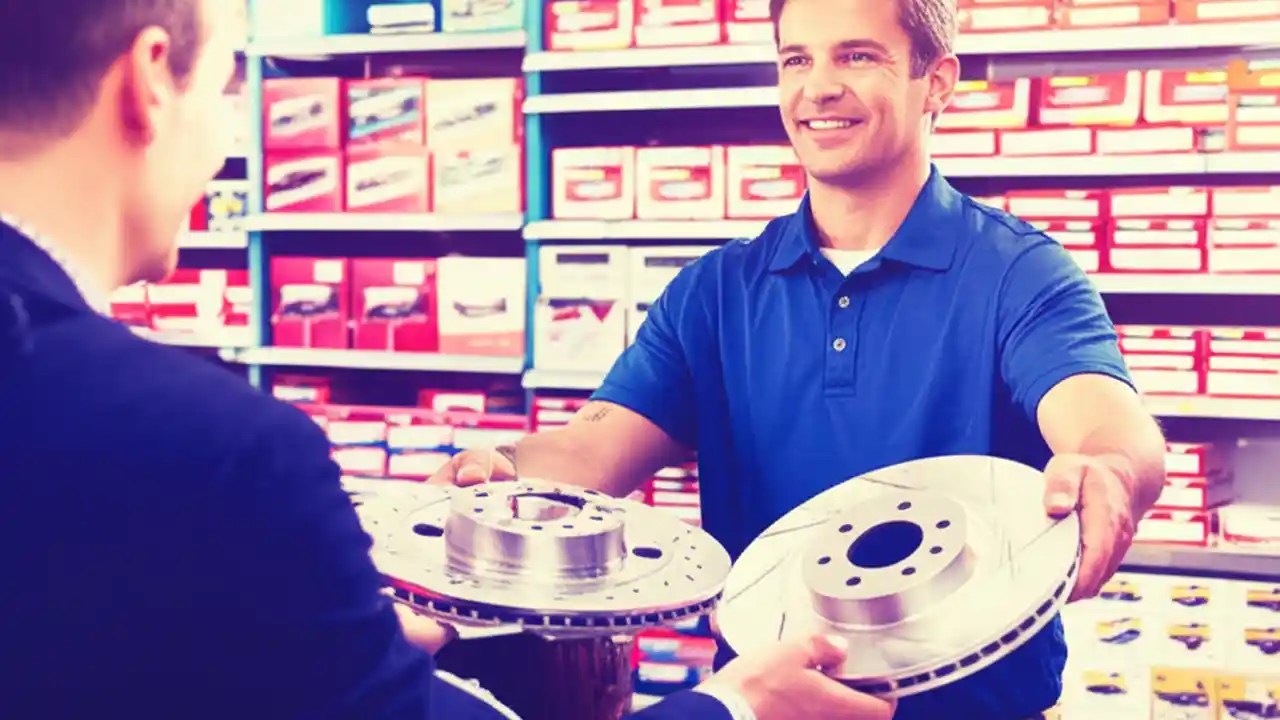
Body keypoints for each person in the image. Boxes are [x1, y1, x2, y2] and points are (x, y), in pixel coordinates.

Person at [0, 2, 897, 720]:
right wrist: (736, 705)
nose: (235, 130)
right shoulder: (228, 456)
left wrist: (336, 647)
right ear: (152, 79)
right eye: (232, 80)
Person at [432, 0, 1169, 717]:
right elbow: (590, 451)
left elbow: (1108, 425)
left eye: (857, 55)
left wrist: (1108, 471)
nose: (818, 87)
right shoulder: (715, 292)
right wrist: (499, 475)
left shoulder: (1018, 272)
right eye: (796, 59)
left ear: (937, 81)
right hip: (769, 703)